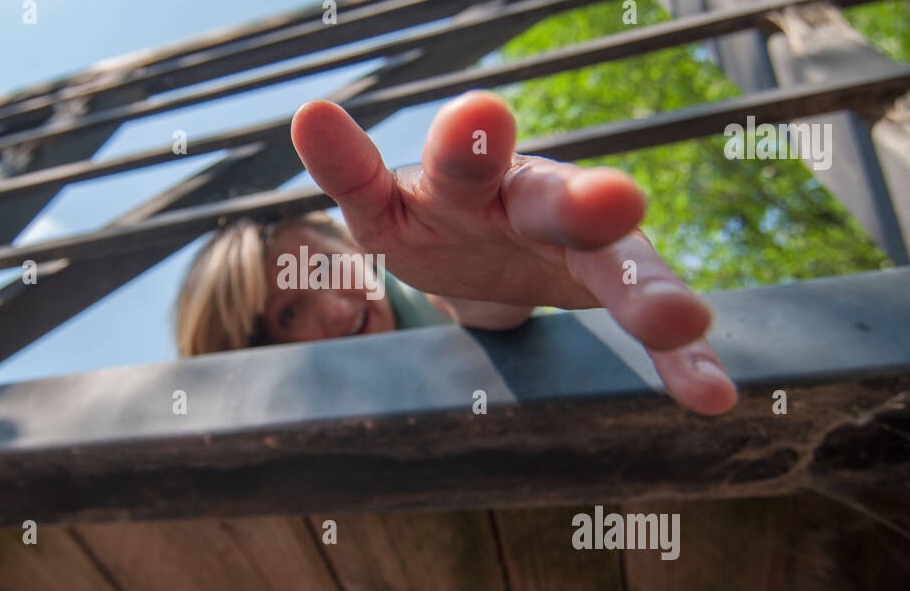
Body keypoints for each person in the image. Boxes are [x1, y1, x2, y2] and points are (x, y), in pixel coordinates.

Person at [174, 90, 738, 416]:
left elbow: (471, 305)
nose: (330, 306)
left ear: (351, 245)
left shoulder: (422, 282)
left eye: (323, 266)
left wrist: (501, 286)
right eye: (288, 313)